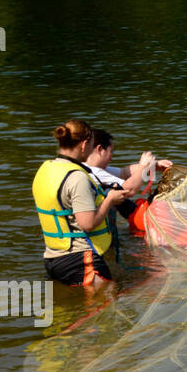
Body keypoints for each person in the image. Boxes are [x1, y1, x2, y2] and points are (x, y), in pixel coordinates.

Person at [33, 119, 127, 288]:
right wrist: (110, 200)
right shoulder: (78, 177)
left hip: (53, 258)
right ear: (84, 145)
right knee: (108, 301)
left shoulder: (46, 168)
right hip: (80, 259)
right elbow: (88, 223)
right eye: (91, 144)